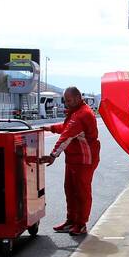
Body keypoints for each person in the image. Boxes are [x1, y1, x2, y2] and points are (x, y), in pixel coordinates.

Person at [37, 86, 101, 237]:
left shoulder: (82, 114)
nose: (66, 104)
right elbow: (66, 128)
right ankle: (71, 220)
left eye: (69, 100)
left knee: (81, 192)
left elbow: (67, 135)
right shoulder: (76, 112)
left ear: (78, 98)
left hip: (85, 160)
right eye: (65, 101)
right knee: (70, 190)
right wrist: (50, 128)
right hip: (73, 159)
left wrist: (53, 155)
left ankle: (81, 224)